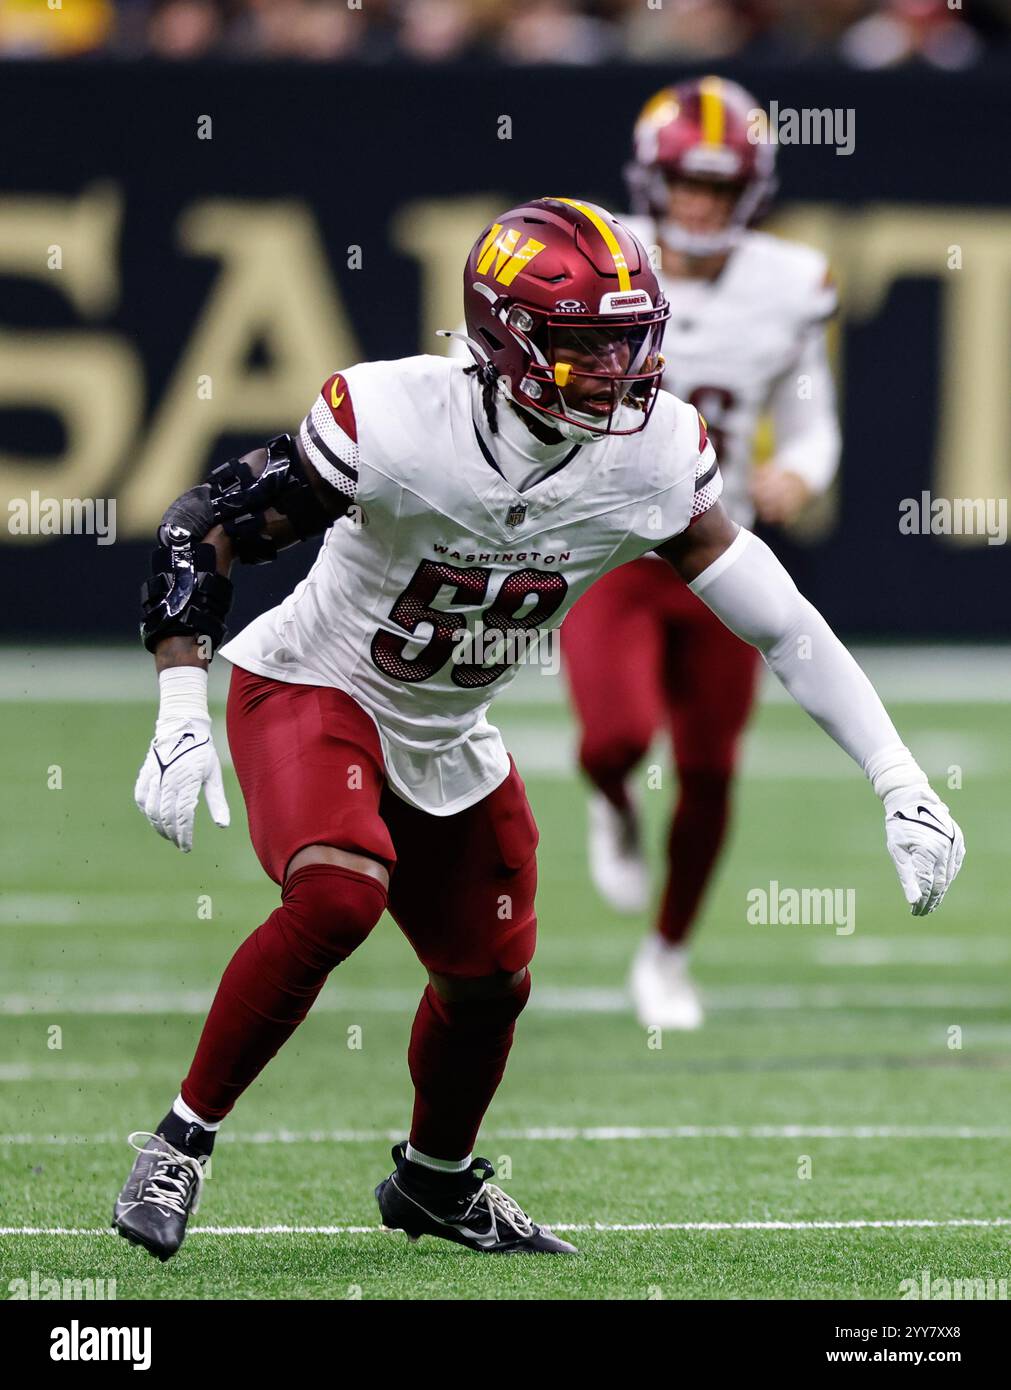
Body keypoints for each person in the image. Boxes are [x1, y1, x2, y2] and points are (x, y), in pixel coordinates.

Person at [116, 196, 963, 1262]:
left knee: (490, 982)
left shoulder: (654, 456)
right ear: (507, 335)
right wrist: (180, 705)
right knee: (340, 890)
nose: (622, 371)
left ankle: (435, 1183)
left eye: (633, 341)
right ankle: (180, 1142)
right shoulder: (394, 418)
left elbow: (783, 624)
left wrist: (897, 774)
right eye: (588, 346)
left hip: (448, 725)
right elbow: (207, 524)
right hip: (314, 681)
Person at [563, 77, 842, 1029]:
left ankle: (668, 953)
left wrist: (799, 474)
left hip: (723, 551)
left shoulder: (788, 282)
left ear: (748, 193)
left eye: (717, 190)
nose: (698, 206)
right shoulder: (599, 257)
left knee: (712, 768)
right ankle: (608, 798)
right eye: (685, 184)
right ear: (652, 181)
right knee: (613, 740)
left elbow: (811, 427)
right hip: (613, 551)